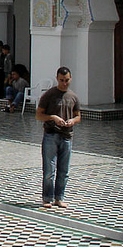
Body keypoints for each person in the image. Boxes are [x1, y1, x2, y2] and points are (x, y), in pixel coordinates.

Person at [35, 67, 81, 208]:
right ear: (57, 79)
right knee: (49, 169)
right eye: (62, 80)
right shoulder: (49, 95)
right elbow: (38, 115)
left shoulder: (73, 97)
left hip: (66, 136)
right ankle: (47, 197)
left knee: (64, 170)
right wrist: (53, 118)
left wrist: (72, 121)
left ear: (70, 79)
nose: (64, 83)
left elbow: (78, 116)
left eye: (67, 80)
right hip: (51, 135)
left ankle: (59, 197)